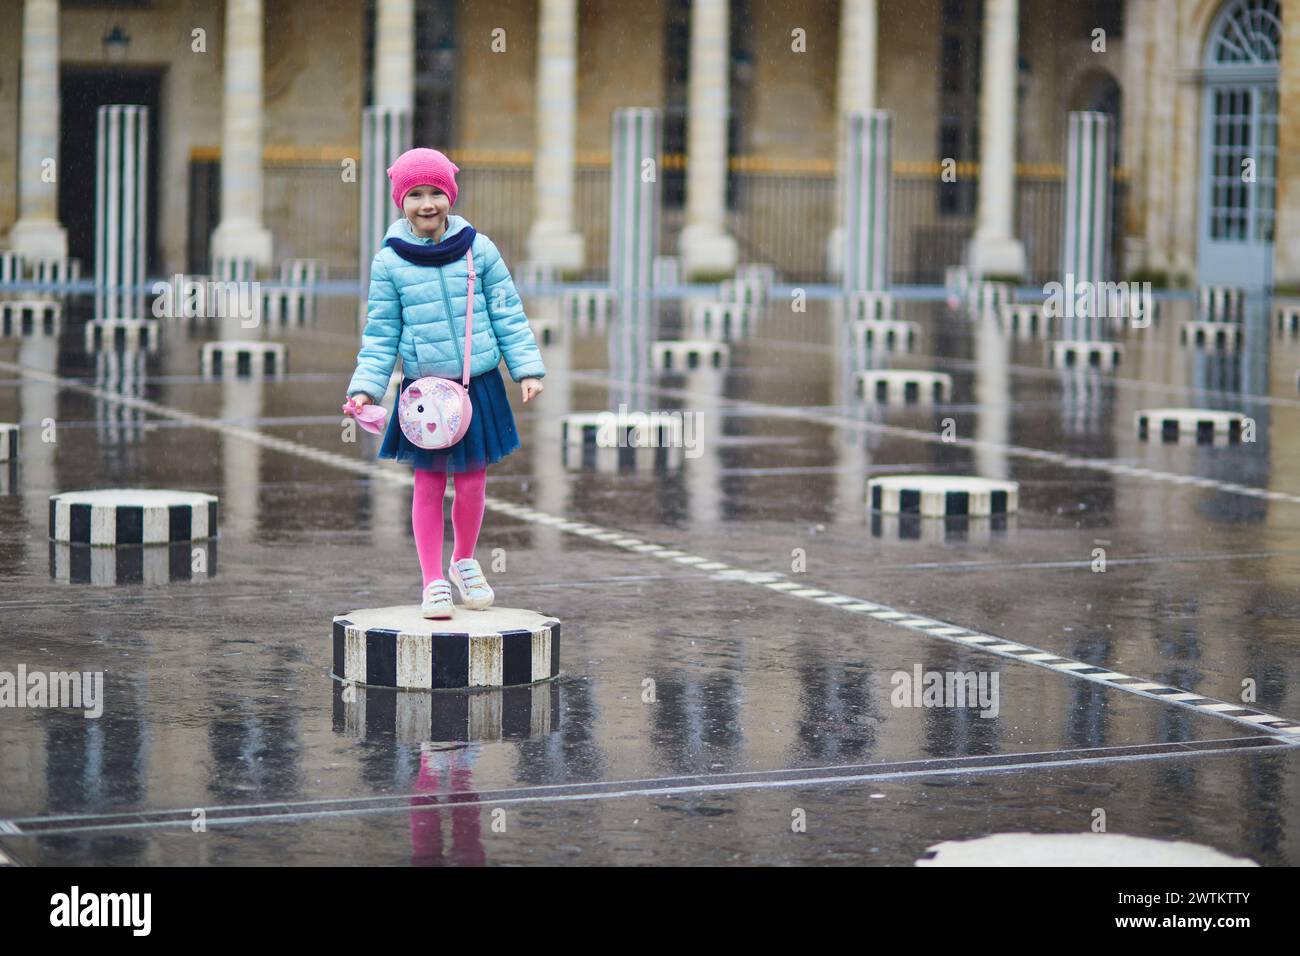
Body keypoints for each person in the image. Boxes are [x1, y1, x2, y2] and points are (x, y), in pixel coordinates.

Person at [346, 147, 546, 618]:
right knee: (430, 483)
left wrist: (528, 368)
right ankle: (432, 580)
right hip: (426, 392)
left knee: (474, 481)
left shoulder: (480, 248)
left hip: (478, 385)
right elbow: (381, 332)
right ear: (402, 201)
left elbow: (507, 313)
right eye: (416, 194)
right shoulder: (390, 262)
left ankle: (463, 562)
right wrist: (366, 387)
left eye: (436, 192)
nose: (427, 203)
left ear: (450, 196)